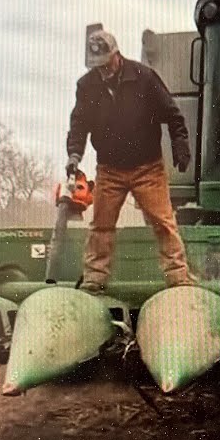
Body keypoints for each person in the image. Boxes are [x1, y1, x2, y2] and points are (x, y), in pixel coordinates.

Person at [66, 29, 194, 293]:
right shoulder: (86, 86)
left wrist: (180, 146)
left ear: (116, 55)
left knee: (163, 222)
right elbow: (79, 124)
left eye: (105, 64)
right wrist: (74, 154)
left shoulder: (144, 77)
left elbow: (172, 114)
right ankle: (94, 278)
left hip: (148, 167)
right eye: (96, 66)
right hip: (109, 169)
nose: (102, 71)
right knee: (101, 225)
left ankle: (179, 277)